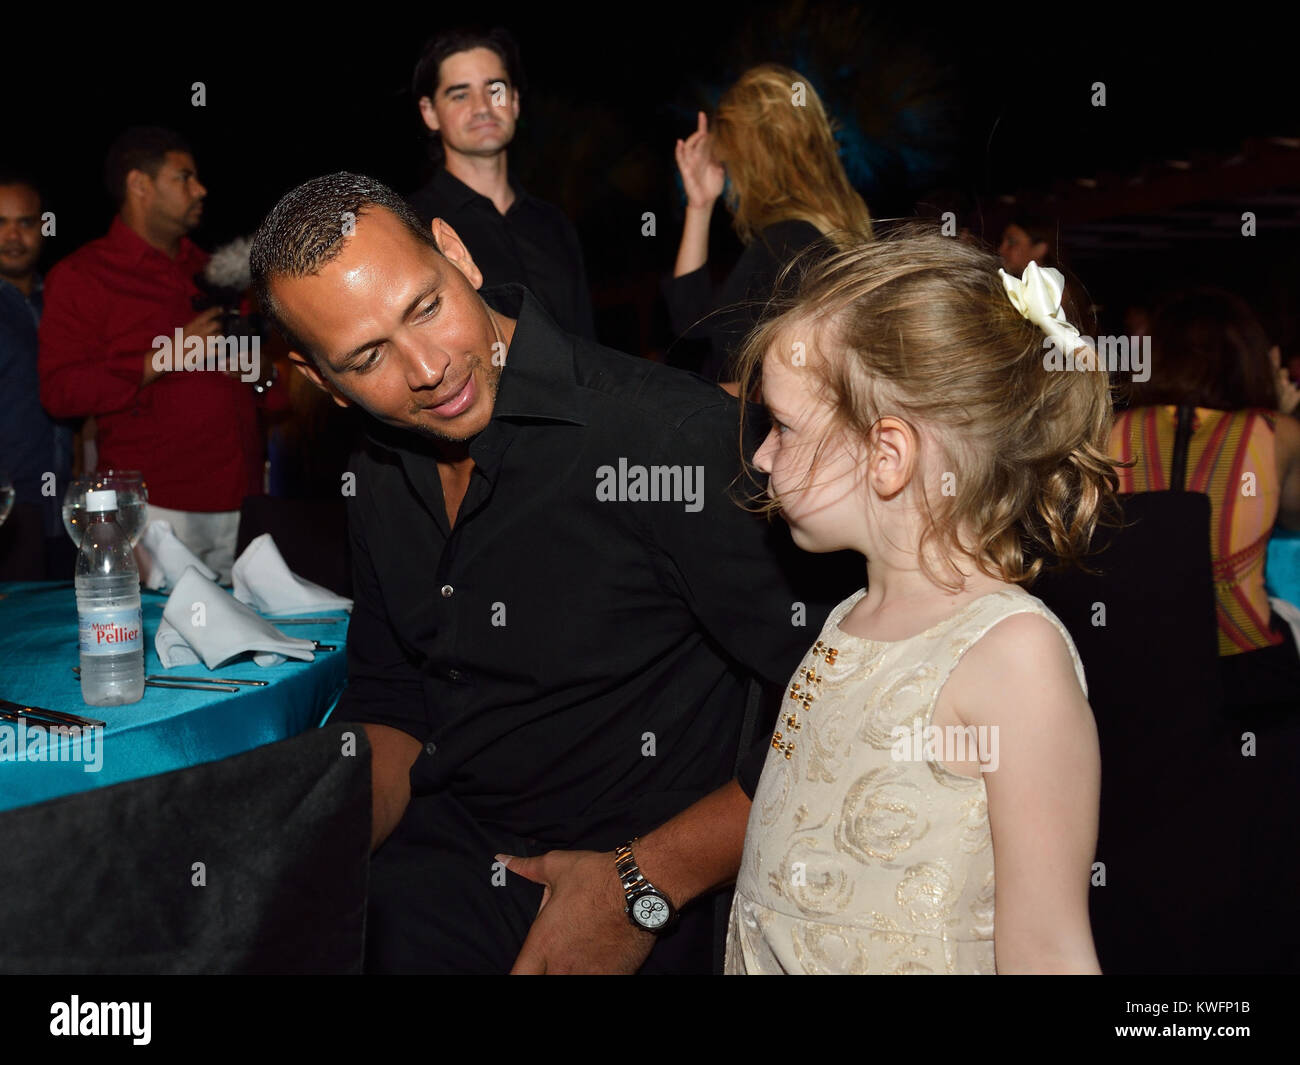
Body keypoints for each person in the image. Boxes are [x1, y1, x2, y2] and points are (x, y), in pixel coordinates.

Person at [248, 172, 860, 974]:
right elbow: (393, 699)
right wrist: (304, 843)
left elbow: (852, 697)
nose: (427, 367)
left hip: (654, 879)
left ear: (457, 253)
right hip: (451, 862)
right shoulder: (377, 474)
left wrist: (641, 884)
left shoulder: (666, 439)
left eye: (425, 306)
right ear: (319, 379)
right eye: (367, 356)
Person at [725, 229, 1115, 974]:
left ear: (889, 456)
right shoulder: (845, 620)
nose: (762, 455)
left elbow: (1048, 951)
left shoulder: (1011, 658)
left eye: (781, 425)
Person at [38, 127, 264, 583]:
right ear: (139, 185)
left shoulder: (213, 269)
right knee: (164, 640)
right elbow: (60, 392)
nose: (200, 189)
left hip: (245, 502)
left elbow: (262, 385)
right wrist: (163, 358)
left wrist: (259, 370)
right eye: (184, 177)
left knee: (248, 642)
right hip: (158, 509)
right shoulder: (83, 275)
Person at [1110, 288, 1300, 713]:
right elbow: (1294, 520)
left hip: (1132, 660)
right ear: (1249, 358)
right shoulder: (1276, 433)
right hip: (1245, 669)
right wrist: (1287, 411)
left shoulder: (1111, 431)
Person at [665, 64, 873, 384]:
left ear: (750, 160)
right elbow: (691, 320)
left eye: (729, 163)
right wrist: (700, 206)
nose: (732, 186)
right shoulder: (826, 227)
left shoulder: (789, 242)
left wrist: (688, 400)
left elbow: (799, 388)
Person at [406, 26, 596, 340]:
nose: (482, 107)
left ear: (516, 101)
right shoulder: (414, 227)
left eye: (495, 90)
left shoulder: (553, 222)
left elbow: (587, 344)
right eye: (460, 95)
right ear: (430, 113)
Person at [0, 171, 75, 579]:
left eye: (25, 222)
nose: (13, 236)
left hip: (65, 510)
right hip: (9, 513)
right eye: (0, 223)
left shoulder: (64, 299)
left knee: (60, 629)